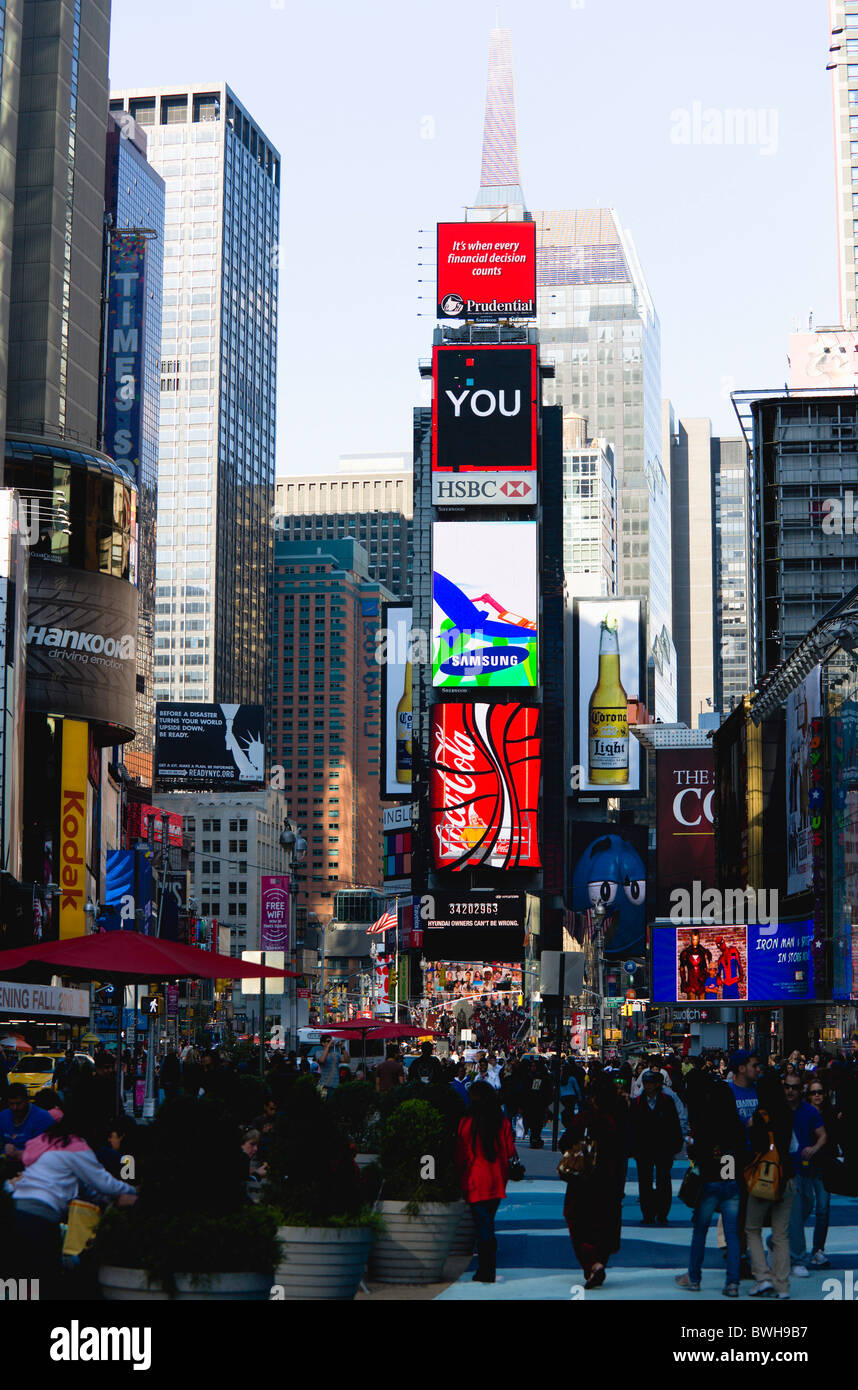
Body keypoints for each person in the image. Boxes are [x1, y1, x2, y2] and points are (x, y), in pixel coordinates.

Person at [5, 1106, 137, 1299]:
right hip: (40, 1216)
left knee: (18, 1279)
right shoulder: (77, 1147)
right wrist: (134, 1192)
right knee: (45, 1280)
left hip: (16, 1209)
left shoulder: (50, 1144)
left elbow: (84, 1188)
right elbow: (104, 1183)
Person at [675, 1070, 746, 1297]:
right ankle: (732, 1283)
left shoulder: (706, 1122)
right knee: (733, 1234)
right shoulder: (736, 1124)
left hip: (710, 1181)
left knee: (700, 1231)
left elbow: (696, 1151)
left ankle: (694, 1277)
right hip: (731, 1180)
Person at [559, 1078, 625, 1289]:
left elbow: (564, 1143)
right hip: (611, 1179)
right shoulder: (618, 1119)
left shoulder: (585, 1119)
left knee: (578, 1221)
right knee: (605, 1224)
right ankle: (599, 1263)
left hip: (583, 1180)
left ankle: (592, 1264)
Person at [455, 1080, 517, 1283]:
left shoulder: (466, 1122)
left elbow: (461, 1154)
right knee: (487, 1221)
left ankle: (486, 1268)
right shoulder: (501, 1121)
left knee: (483, 1224)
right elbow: (509, 1151)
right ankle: (487, 1267)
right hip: (497, 1177)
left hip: (475, 1178)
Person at [745, 1073, 797, 1299]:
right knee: (781, 1234)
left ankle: (763, 1276)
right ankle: (782, 1284)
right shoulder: (787, 1112)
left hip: (765, 1177)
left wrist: (751, 1127)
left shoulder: (760, 1115)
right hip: (787, 1176)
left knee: (752, 1228)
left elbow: (756, 1146)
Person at [785, 1073, 827, 1277]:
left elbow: (823, 1135)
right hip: (787, 1170)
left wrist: (814, 1148)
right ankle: (798, 1258)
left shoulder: (809, 1111)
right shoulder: (780, 1110)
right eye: (787, 1087)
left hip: (805, 1168)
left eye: (794, 1087)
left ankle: (781, 1240)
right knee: (795, 1211)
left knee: (807, 1206)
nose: (790, 1091)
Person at [628, 1070, 683, 1225]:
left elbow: (674, 1124)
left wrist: (676, 1145)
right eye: (646, 1083)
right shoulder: (637, 1103)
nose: (648, 1086)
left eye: (651, 1083)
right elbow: (632, 1127)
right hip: (643, 1148)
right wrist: (632, 1148)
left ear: (657, 1084)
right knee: (645, 1182)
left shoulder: (667, 1101)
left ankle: (663, 1213)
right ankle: (648, 1214)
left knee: (663, 1181)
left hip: (663, 1147)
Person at [1, 1082, 55, 1157]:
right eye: (11, 1104)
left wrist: (19, 1154)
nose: (15, 1108)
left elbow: (47, 1152)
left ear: (27, 1100)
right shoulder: (3, 1116)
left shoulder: (43, 1118)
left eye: (18, 1103)